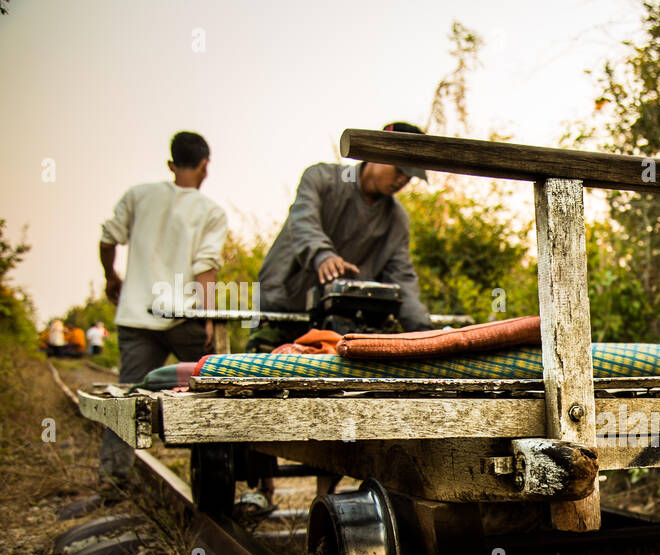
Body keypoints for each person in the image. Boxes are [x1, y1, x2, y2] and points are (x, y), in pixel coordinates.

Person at [98, 131, 228, 486]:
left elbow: (108, 238)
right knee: (214, 392)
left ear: (171, 164)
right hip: (185, 316)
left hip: (137, 314)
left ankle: (113, 478)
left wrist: (112, 277)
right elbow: (206, 266)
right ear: (205, 166)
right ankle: (216, 475)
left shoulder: (139, 195)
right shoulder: (210, 212)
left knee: (129, 394)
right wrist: (210, 317)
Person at [247, 121, 432, 352]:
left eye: (410, 177)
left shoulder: (396, 219)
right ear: (376, 155)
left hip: (340, 329)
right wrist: (322, 255)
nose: (403, 180)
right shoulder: (322, 179)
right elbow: (304, 222)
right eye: (401, 170)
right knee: (263, 380)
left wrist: (428, 334)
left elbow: (402, 281)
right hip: (281, 313)